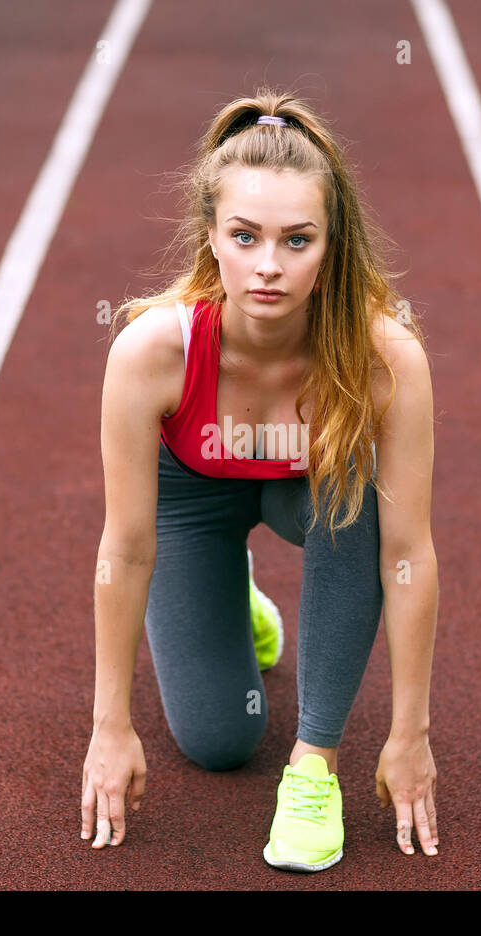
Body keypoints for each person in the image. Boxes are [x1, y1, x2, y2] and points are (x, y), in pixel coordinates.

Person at [82, 87, 439, 871]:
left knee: (352, 506)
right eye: (245, 237)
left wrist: (409, 733)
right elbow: (127, 546)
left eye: (297, 240)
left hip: (304, 492)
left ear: (331, 244)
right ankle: (228, 588)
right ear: (210, 236)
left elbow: (408, 553)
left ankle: (315, 768)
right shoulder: (153, 353)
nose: (269, 267)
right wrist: (110, 723)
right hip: (192, 503)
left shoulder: (385, 360)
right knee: (218, 741)